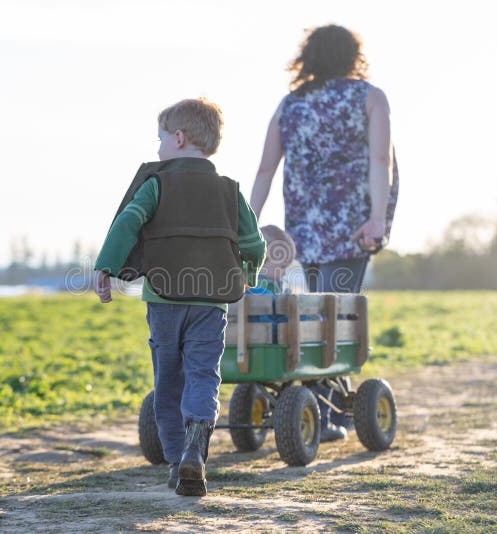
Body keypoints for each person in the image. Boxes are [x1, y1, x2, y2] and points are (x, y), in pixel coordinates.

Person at [94, 98, 266, 496]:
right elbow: (254, 244)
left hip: (164, 299)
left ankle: (176, 461)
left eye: (160, 139)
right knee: (204, 375)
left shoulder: (157, 183)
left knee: (168, 380)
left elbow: (129, 221)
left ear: (178, 137)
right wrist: (246, 277)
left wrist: (107, 268)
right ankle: (196, 452)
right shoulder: (230, 191)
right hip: (211, 304)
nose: (157, 149)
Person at [249, 25, 399, 441]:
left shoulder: (290, 105)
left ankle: (326, 407)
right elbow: (379, 162)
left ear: (308, 57)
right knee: (332, 315)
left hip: (304, 230)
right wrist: (378, 219)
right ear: (354, 55)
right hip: (351, 230)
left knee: (317, 312)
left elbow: (265, 170)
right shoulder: (370, 97)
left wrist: (246, 222)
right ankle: (327, 412)